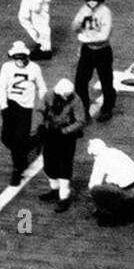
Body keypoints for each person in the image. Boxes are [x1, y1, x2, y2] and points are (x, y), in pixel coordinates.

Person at [0, 40, 47, 186]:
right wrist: (4, 106)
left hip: (25, 108)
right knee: (6, 138)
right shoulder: (6, 67)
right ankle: (39, 137)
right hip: (10, 105)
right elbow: (1, 87)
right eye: (16, 57)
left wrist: (43, 105)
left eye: (22, 57)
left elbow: (41, 87)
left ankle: (17, 169)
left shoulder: (34, 68)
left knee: (18, 140)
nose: (19, 60)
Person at [37, 78, 87, 211]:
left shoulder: (76, 100)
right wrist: (41, 125)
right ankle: (55, 188)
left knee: (65, 165)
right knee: (48, 163)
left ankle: (64, 196)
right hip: (51, 132)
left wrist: (65, 130)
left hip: (66, 136)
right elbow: (40, 110)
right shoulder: (49, 95)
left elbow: (81, 121)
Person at [86, 139, 134, 229]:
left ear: (93, 153)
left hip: (130, 192)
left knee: (96, 190)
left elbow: (93, 184)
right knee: (113, 185)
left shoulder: (100, 159)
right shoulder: (116, 152)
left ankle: (107, 217)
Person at [72, 0, 116, 121]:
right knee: (80, 82)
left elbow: (104, 35)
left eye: (94, 0)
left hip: (102, 50)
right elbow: (74, 28)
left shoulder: (105, 12)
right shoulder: (83, 10)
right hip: (87, 50)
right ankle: (83, 108)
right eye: (89, 0)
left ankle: (107, 109)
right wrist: (80, 19)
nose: (91, 3)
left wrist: (87, 39)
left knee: (106, 81)